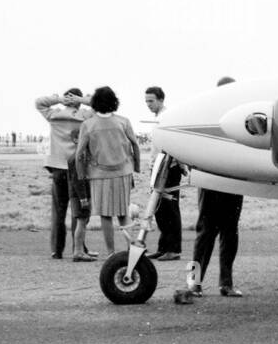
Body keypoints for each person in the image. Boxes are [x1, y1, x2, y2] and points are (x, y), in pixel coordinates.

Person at [192, 77, 245, 297]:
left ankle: (195, 283)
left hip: (221, 182)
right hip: (220, 181)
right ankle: (223, 284)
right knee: (221, 233)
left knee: (211, 233)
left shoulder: (212, 115)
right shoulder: (235, 116)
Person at [74, 86, 141, 258]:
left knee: (105, 215)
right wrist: (136, 166)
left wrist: (82, 174)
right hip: (123, 172)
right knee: (123, 212)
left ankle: (111, 252)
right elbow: (135, 145)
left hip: (98, 174)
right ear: (114, 102)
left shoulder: (88, 125)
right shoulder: (123, 121)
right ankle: (132, 250)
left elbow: (80, 153)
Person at [35, 88, 96, 260]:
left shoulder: (54, 115)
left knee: (58, 211)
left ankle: (56, 249)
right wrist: (83, 100)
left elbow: (39, 102)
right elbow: (99, 105)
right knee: (79, 211)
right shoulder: (83, 116)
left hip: (57, 166)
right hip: (77, 167)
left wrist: (58, 99)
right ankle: (79, 248)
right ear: (78, 99)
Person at [143, 86, 184, 260]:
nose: (148, 104)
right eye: (146, 101)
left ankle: (173, 249)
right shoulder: (158, 119)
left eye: (151, 101)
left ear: (160, 100)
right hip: (158, 166)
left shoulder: (167, 118)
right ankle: (164, 246)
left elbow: (175, 142)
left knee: (170, 208)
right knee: (159, 209)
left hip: (169, 166)